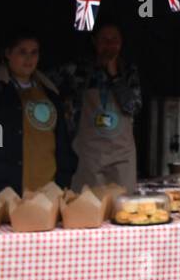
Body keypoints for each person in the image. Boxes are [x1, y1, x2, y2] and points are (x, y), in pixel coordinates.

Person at [0, 28, 77, 196]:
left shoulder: (49, 92)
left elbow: (62, 140)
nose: (29, 58)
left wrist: (64, 177)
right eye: (22, 52)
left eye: (34, 52)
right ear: (8, 53)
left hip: (46, 189)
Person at [53, 21, 142, 191]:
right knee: (88, 208)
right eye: (104, 39)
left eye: (114, 39)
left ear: (121, 42)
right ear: (94, 41)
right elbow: (47, 83)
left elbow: (133, 107)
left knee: (121, 209)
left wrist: (115, 75)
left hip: (121, 157)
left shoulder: (128, 71)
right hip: (89, 155)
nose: (109, 45)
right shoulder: (78, 70)